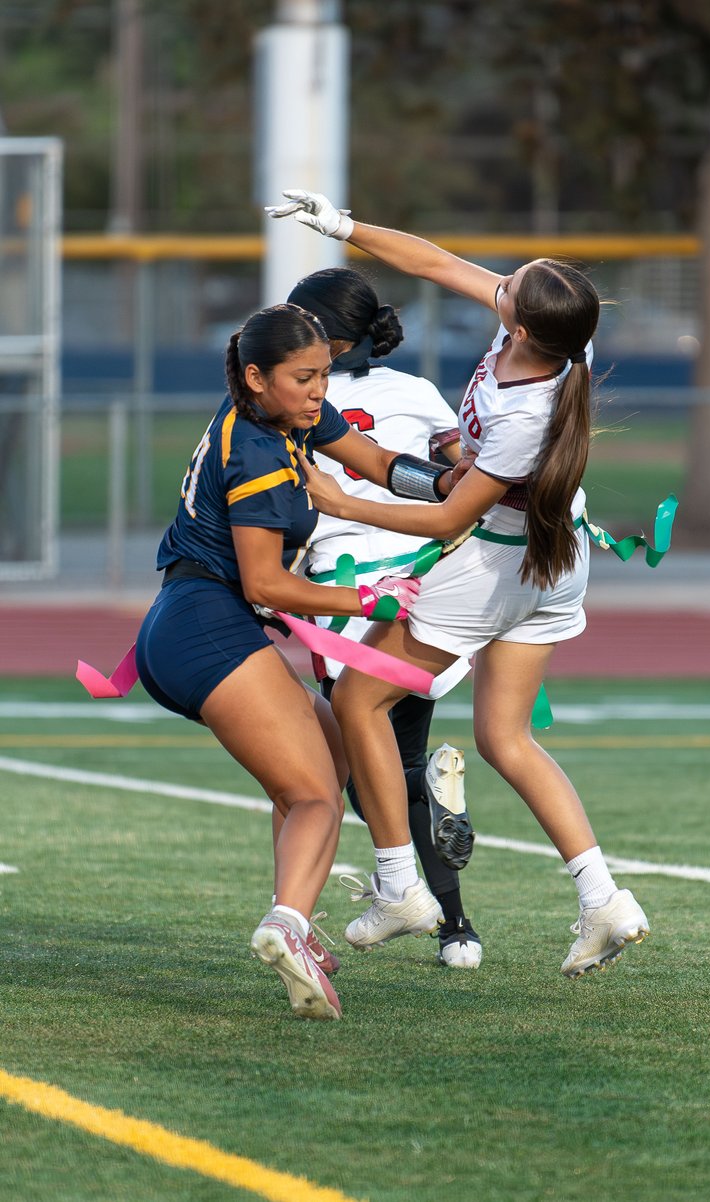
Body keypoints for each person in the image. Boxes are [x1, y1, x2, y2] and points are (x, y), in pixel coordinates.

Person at [265, 189, 651, 979]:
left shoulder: (523, 415)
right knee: (506, 738)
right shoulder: (553, 338)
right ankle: (605, 900)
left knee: (356, 700)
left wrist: (340, 501)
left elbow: (449, 518)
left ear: (520, 326)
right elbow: (434, 262)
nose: (497, 282)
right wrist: (342, 225)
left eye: (510, 285)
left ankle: (400, 887)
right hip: (555, 556)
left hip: (498, 561)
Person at [133, 302, 435, 1020]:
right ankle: (287, 925)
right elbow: (266, 585)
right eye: (305, 378)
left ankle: (292, 917)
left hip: (201, 621)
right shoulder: (260, 451)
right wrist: (367, 599)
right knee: (313, 797)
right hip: (206, 627)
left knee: (333, 754)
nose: (319, 392)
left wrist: (456, 483)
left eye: (325, 374)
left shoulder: (279, 411)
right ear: (256, 377)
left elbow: (376, 463)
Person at [286, 265, 482, 969]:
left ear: (325, 337)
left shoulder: (295, 395)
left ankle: (439, 910)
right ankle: (456, 928)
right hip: (420, 582)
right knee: (396, 759)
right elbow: (459, 479)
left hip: (344, 593)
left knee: (363, 772)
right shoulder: (418, 391)